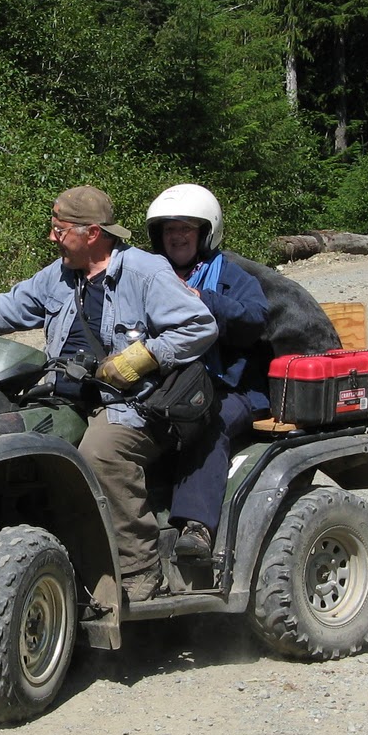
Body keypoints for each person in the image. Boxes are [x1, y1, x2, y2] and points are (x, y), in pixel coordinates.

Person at [0, 186, 217, 602]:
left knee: (102, 453)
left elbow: (199, 326)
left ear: (92, 233)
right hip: (67, 399)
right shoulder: (59, 275)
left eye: (59, 229)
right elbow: (12, 305)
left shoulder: (145, 272)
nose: (52, 237)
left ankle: (139, 568)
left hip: (132, 405)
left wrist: (143, 357)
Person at [145, 184, 269, 560]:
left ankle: (197, 526)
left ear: (205, 232)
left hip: (232, 390)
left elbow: (256, 318)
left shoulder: (231, 276)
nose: (177, 237)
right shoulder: (152, 275)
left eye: (185, 228)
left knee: (206, 422)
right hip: (169, 384)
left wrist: (206, 300)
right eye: (169, 230)